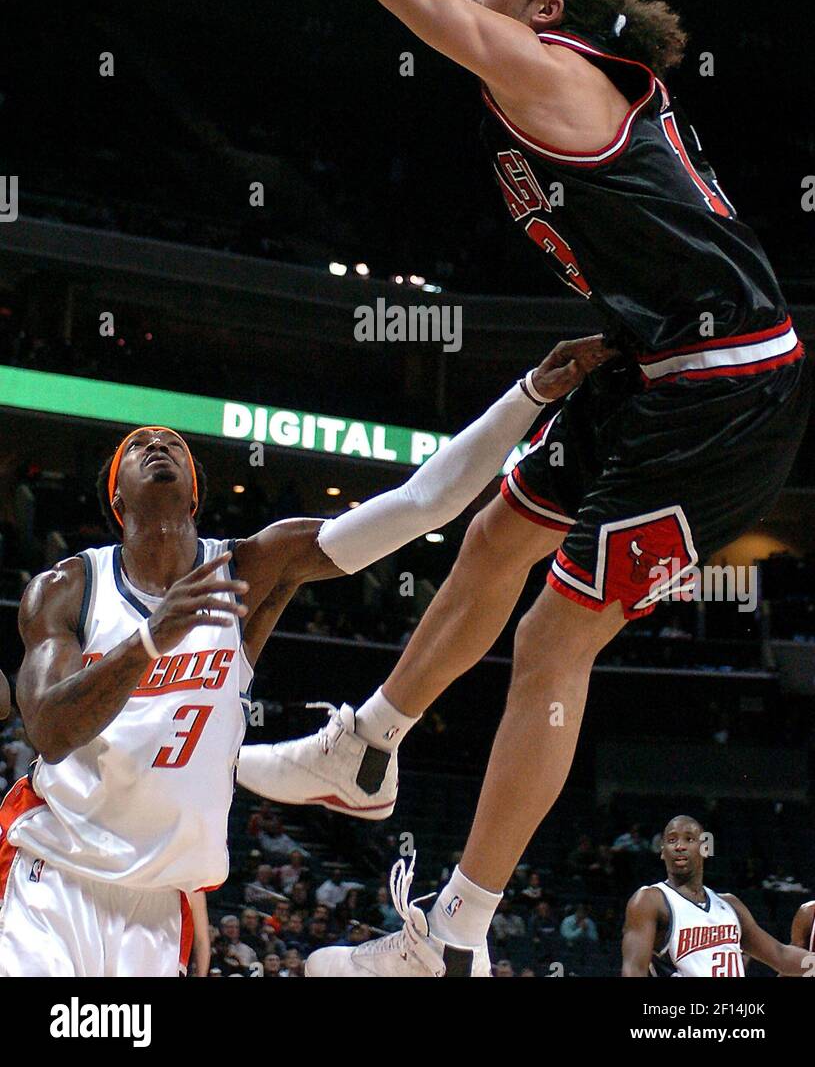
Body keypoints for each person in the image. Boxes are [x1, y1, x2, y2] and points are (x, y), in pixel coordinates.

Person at [172, 0, 811, 979]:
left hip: (726, 394)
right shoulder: (559, 72)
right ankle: (368, 745)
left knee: (553, 639)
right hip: (654, 359)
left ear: (546, 14)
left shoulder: (546, 73)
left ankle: (454, 933)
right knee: (492, 538)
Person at [0, 349, 596, 977]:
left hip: (159, 905)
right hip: (53, 875)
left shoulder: (254, 567)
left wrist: (528, 394)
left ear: (195, 492)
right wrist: (151, 638)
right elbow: (49, 730)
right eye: (139, 445)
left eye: (171, 443)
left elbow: (421, 502)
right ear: (116, 500)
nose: (156, 444)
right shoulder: (68, 587)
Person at [622, 816, 813, 977]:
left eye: (689, 839)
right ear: (663, 852)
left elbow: (780, 955)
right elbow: (633, 971)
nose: (679, 846)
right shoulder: (650, 900)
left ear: (706, 847)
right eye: (671, 840)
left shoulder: (731, 905)